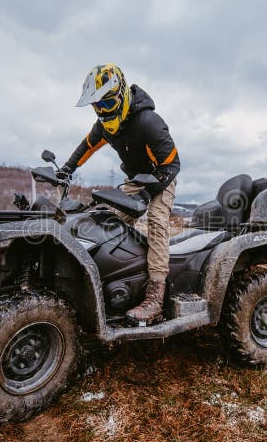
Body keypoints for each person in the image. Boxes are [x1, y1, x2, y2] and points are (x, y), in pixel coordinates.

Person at [59, 64, 180, 326]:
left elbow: (172, 165)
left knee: (157, 223)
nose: (102, 110)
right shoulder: (105, 125)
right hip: (135, 180)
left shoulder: (149, 123)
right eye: (97, 106)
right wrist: (67, 168)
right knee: (105, 220)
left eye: (107, 103)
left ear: (122, 93)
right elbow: (86, 146)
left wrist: (148, 194)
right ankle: (112, 277)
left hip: (161, 178)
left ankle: (155, 297)